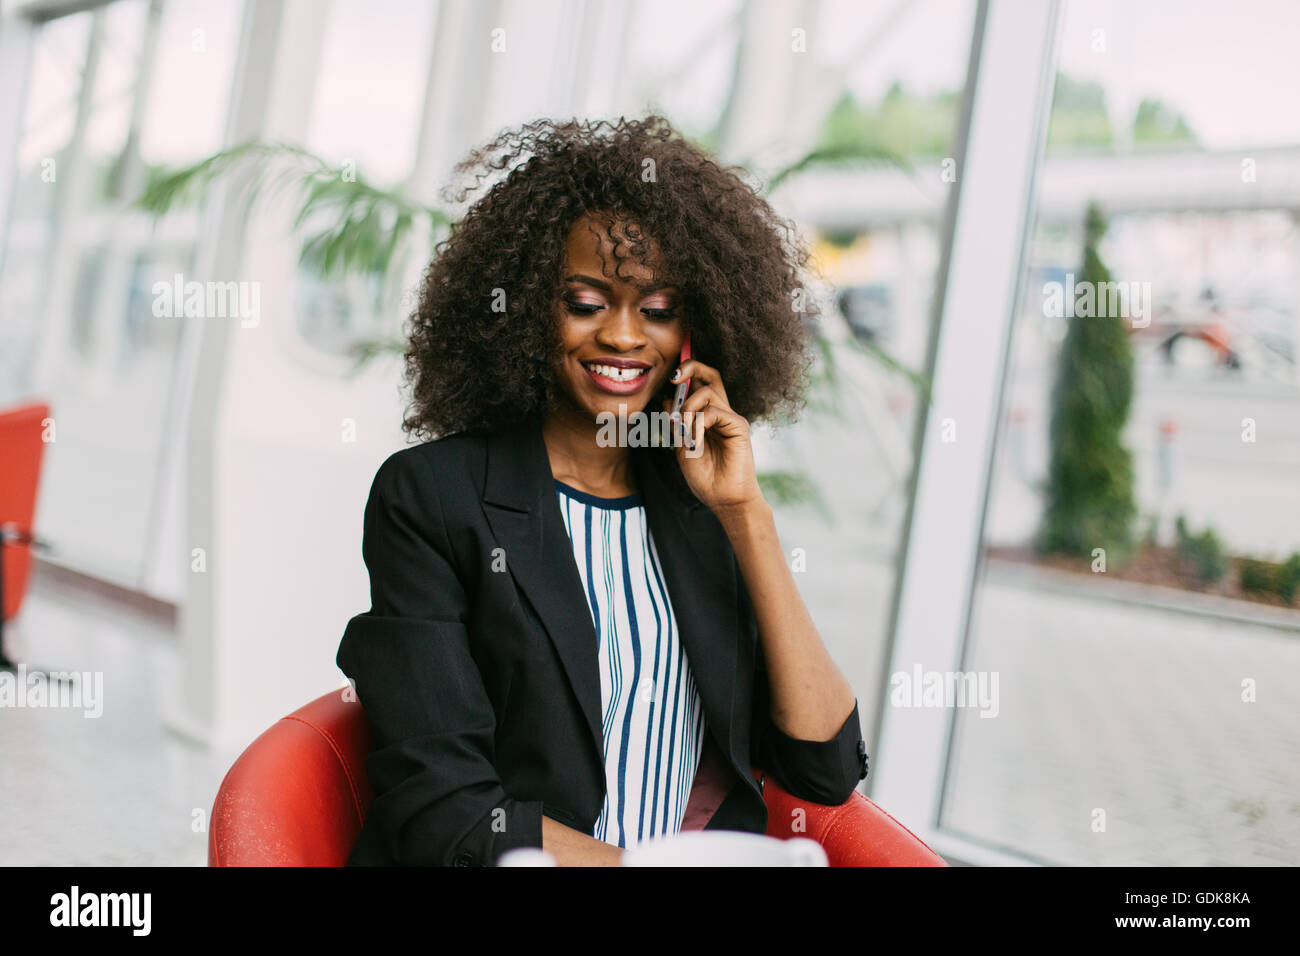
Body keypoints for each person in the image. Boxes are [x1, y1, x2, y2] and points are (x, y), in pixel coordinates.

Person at [336, 114, 868, 867]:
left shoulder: (696, 508)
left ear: (694, 331)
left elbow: (825, 767)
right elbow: (448, 812)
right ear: (527, 309)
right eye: (586, 303)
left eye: (656, 309)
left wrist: (746, 516)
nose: (622, 336)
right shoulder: (433, 499)